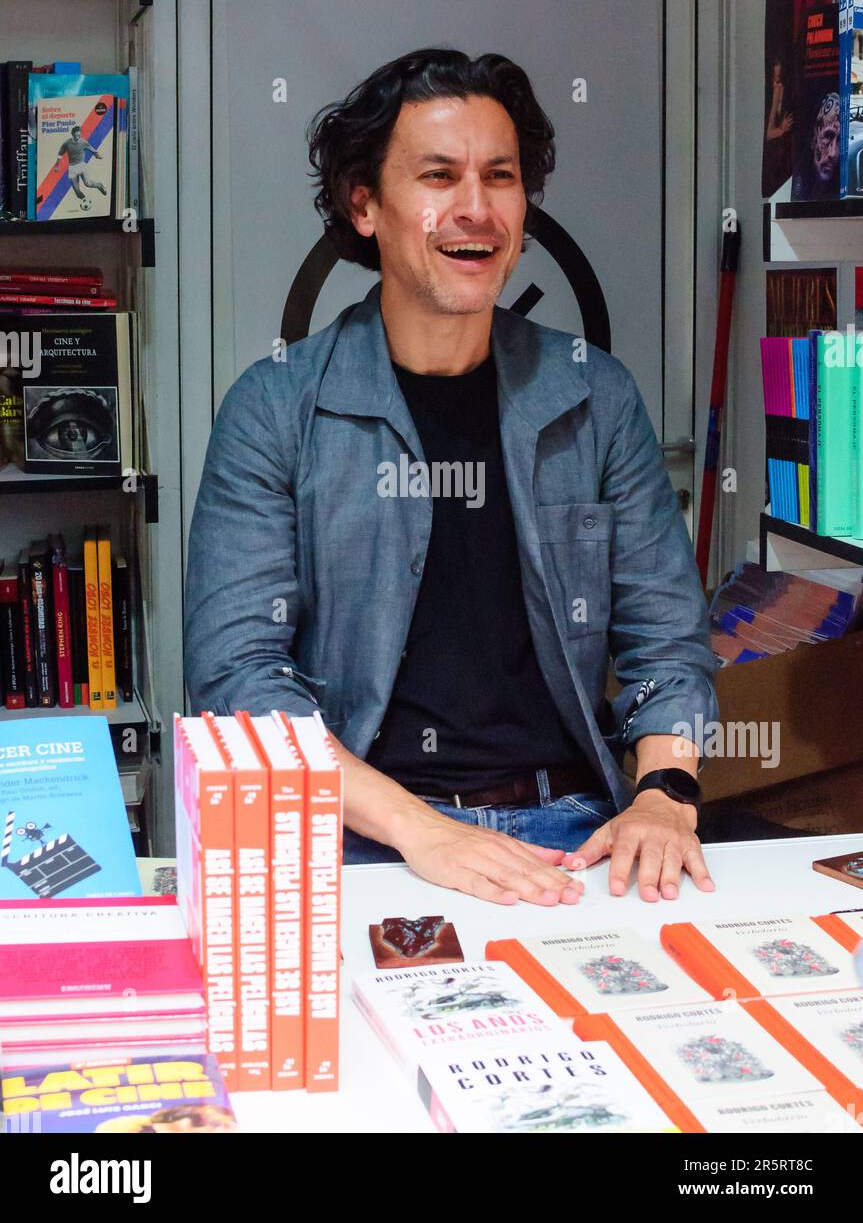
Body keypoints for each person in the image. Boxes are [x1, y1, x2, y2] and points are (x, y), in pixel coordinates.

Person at [185, 48, 719, 908]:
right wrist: (417, 829)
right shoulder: (275, 406)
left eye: (499, 177)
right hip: (366, 837)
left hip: (580, 834)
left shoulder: (593, 392)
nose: (475, 208)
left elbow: (666, 638)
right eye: (438, 176)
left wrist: (665, 793)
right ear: (365, 205)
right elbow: (236, 679)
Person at [56, 125, 107, 206]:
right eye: (76, 136)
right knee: (77, 191)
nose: (77, 137)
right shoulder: (67, 143)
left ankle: (99, 185)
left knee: (88, 184)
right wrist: (57, 166)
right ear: (72, 134)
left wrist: (97, 155)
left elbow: (91, 148)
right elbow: (60, 154)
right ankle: (85, 200)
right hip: (72, 168)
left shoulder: (83, 142)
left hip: (81, 166)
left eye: (79, 136)